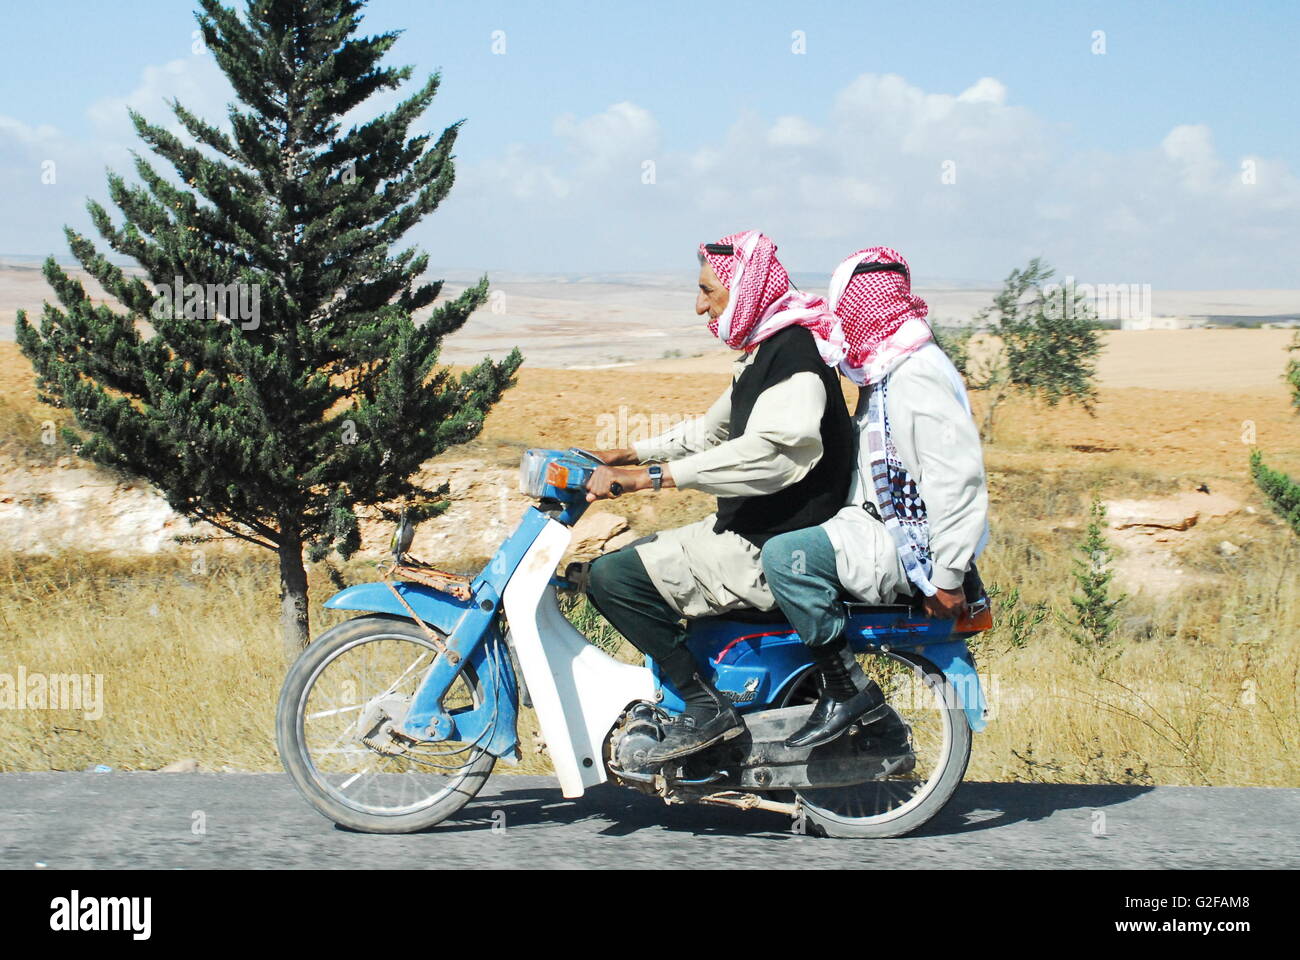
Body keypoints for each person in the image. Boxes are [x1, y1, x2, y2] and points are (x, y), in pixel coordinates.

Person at [582, 230, 854, 763]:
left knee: (612, 579)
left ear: (744, 287)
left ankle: (705, 708)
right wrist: (626, 453)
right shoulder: (767, 351)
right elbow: (710, 433)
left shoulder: (795, 360)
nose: (699, 304)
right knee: (619, 565)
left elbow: (766, 455)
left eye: (709, 290)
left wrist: (653, 479)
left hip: (765, 544)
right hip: (746, 529)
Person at [759, 247, 990, 750]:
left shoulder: (915, 375)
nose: (841, 325)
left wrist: (947, 575)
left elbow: (958, 481)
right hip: (875, 526)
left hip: (901, 544)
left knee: (785, 559)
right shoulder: (887, 370)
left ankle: (846, 690)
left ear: (866, 309)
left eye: (847, 311)